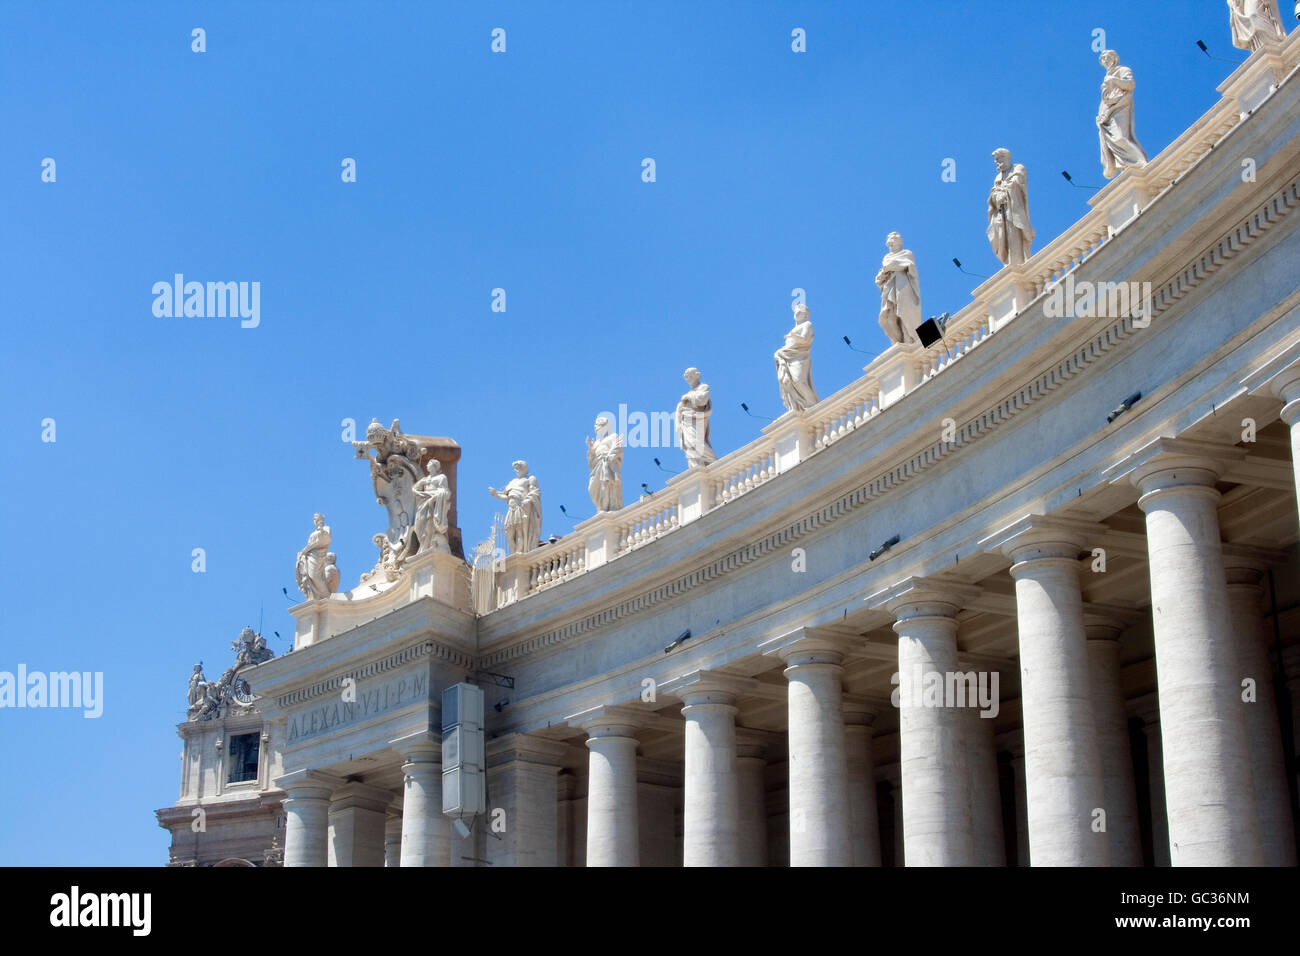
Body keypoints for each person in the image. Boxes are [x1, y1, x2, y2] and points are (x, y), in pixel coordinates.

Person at [1097, 50, 1148, 180]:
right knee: (1114, 140)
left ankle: (1140, 164)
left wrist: (1114, 80)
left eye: (1108, 58)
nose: (1106, 61)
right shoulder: (1106, 78)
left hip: (1121, 106)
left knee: (1120, 137)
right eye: (1103, 60)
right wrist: (1101, 115)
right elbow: (1105, 100)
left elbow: (1130, 85)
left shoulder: (1123, 70)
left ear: (1115, 59)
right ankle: (1127, 166)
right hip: (1108, 113)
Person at [987, 148, 1035, 267]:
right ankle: (1010, 262)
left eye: (998, 159)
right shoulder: (998, 177)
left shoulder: (1018, 168)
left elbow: (1016, 183)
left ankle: (1018, 262)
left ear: (1006, 157)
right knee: (1003, 236)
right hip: (1002, 212)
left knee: (1015, 234)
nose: (997, 162)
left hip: (1014, 210)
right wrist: (996, 196)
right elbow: (993, 194)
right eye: (995, 160)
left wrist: (1004, 192)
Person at [875, 233, 921, 346]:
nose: (890, 244)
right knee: (887, 316)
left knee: (903, 312)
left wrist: (890, 266)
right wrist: (883, 273)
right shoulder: (886, 258)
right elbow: (880, 276)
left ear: (898, 242)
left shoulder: (907, 253)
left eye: (892, 241)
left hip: (903, 286)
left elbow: (908, 265)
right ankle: (897, 342)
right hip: (889, 287)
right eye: (889, 243)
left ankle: (908, 340)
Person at [489, 461, 543, 554]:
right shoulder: (512, 482)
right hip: (511, 508)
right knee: (508, 532)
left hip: (521, 508)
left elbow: (534, 493)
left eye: (519, 467)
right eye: (515, 468)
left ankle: (519, 553)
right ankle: (514, 553)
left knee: (520, 531)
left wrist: (527, 500)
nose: (516, 470)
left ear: (524, 468)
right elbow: (507, 498)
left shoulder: (530, 479)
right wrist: (495, 494)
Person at [775, 304, 820, 411]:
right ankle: (798, 406)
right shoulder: (794, 328)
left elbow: (805, 339)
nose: (796, 313)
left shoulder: (807, 324)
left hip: (800, 355)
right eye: (796, 312)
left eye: (799, 312)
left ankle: (813, 404)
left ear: (805, 315)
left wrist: (793, 336)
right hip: (787, 355)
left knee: (799, 380)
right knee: (788, 381)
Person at [676, 368, 718, 468]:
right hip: (686, 420)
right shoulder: (690, 392)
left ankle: (715, 462)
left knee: (696, 443)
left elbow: (702, 400)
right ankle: (696, 466)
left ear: (696, 375)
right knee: (689, 443)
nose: (687, 378)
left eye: (689, 375)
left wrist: (689, 397)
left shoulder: (703, 387)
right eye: (686, 376)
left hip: (696, 418)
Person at [412, 459, 452, 553]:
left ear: (434, 466)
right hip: (423, 501)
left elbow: (445, 492)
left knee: (429, 524)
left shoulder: (441, 477)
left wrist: (434, 496)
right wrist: (421, 483)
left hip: (433, 503)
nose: (426, 466)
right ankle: (423, 544)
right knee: (418, 526)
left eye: (429, 464)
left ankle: (427, 546)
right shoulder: (426, 479)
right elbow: (414, 489)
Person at [586, 417, 625, 512]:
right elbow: (591, 461)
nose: (597, 429)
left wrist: (609, 457)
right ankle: (601, 506)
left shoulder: (612, 437)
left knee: (606, 485)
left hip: (608, 465)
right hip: (597, 466)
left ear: (605, 427)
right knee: (592, 487)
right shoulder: (596, 443)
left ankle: (606, 507)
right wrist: (591, 450)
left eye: (599, 427)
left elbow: (618, 447)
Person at [294, 513, 331, 599]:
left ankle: (326, 595)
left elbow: (325, 540)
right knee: (310, 576)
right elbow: (310, 544)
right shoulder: (314, 533)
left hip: (319, 555)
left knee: (314, 575)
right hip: (311, 555)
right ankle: (316, 595)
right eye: (315, 520)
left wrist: (304, 551)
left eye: (318, 519)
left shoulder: (326, 528)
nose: (317, 521)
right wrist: (303, 552)